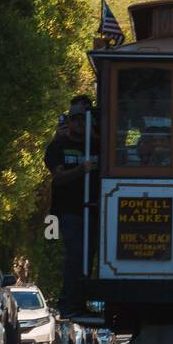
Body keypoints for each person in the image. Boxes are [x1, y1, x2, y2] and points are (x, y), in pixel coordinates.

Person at [44, 94, 99, 318]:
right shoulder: (58, 146)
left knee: (89, 256)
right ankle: (67, 303)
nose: (79, 124)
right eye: (75, 119)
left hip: (93, 208)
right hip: (70, 211)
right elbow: (58, 177)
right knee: (75, 255)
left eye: (83, 119)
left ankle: (81, 301)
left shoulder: (96, 144)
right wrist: (80, 170)